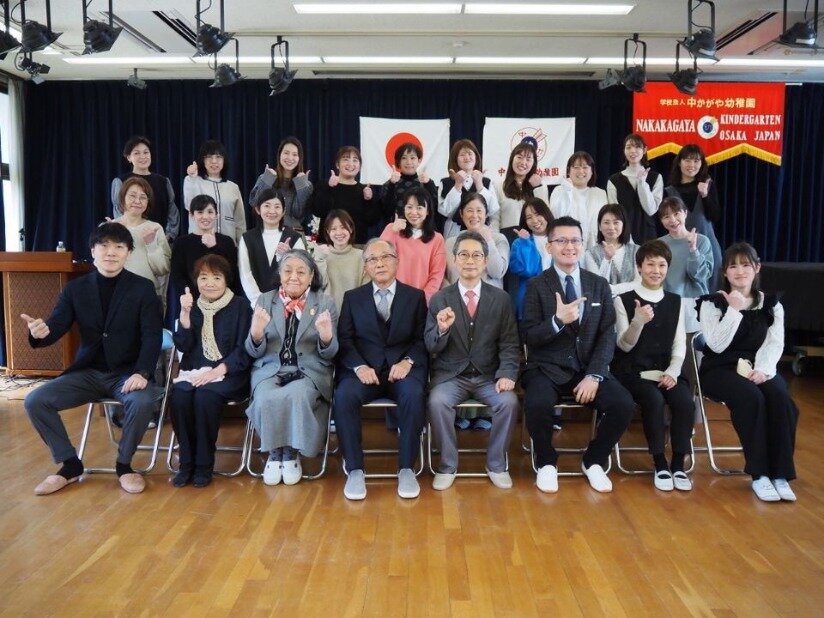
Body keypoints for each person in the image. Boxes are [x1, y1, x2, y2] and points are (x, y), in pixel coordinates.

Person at [22, 222, 163, 496]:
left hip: (127, 374)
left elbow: (151, 336)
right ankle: (70, 465)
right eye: (104, 246)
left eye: (119, 247)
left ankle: (124, 465)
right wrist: (39, 333)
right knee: (35, 400)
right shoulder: (76, 289)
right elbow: (55, 327)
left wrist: (142, 372)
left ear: (128, 253)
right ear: (93, 251)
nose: (111, 252)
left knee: (142, 401)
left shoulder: (143, 288)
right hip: (87, 373)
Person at [521, 216, 635, 493]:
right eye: (561, 240)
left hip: (587, 368)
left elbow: (607, 334)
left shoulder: (598, 284)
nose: (569, 246)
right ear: (549, 247)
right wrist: (557, 321)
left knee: (623, 404)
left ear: (583, 245)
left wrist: (595, 375)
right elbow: (529, 336)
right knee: (536, 403)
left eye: (574, 240)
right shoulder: (537, 285)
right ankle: (546, 462)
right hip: (547, 367)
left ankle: (594, 460)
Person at [697, 242, 799, 503]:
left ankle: (780, 474)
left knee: (781, 399)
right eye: (733, 266)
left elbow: (774, 343)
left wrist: (763, 371)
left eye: (745, 265)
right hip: (720, 368)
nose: (740, 271)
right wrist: (733, 309)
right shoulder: (713, 303)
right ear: (725, 272)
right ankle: (759, 474)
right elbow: (716, 345)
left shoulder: (771, 304)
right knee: (751, 398)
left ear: (757, 268)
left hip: (759, 366)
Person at [334, 238, 429, 501]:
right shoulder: (352, 298)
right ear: (365, 267)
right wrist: (358, 366)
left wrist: (408, 362)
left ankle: (407, 468)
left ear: (397, 261)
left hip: (402, 372)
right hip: (365, 372)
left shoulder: (415, 296)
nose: (379, 263)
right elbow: (345, 340)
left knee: (413, 394)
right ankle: (355, 469)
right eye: (372, 259)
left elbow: (422, 339)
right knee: (343, 396)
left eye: (385, 257)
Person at [425, 231, 520, 490]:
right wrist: (441, 329)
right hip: (451, 376)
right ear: (454, 259)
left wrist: (507, 374)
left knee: (508, 402)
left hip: (489, 376)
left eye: (476, 255)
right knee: (437, 402)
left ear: (486, 261)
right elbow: (430, 344)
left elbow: (510, 343)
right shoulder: (440, 298)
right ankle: (447, 465)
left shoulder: (501, 299)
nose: (470, 260)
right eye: (464, 255)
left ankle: (496, 464)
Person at [245, 250, 338, 487]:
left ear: (311, 276)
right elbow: (253, 351)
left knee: (297, 394)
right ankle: (275, 452)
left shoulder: (325, 303)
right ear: (279, 274)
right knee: (265, 396)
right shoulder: (265, 300)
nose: (293, 277)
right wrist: (256, 333)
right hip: (270, 369)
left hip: (308, 370)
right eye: (287, 271)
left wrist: (326, 337)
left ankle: (291, 453)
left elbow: (330, 354)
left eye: (301, 272)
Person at [612, 240, 695, 492]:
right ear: (639, 267)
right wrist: (638, 322)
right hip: (633, 371)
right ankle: (660, 463)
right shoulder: (623, 300)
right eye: (650, 264)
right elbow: (624, 345)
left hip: (666, 370)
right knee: (654, 400)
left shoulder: (675, 301)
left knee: (684, 402)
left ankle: (678, 463)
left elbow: (679, 344)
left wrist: (673, 371)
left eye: (661, 265)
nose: (656, 270)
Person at [169, 254, 252, 488]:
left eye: (216, 277)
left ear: (226, 280)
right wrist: (184, 315)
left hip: (231, 373)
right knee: (180, 396)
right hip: (195, 371)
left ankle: (204, 465)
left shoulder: (241, 306)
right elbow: (184, 346)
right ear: (196, 281)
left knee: (206, 396)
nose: (210, 283)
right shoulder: (192, 306)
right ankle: (186, 463)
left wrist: (217, 372)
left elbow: (245, 350)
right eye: (203, 277)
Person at [665, 144, 723, 290]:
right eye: (687, 160)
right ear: (679, 162)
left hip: (708, 245)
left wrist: (705, 195)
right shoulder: (669, 190)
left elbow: (715, 216)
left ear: (701, 164)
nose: (692, 165)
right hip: (680, 246)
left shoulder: (707, 185)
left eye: (696, 161)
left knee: (711, 290)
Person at [238, 188, 305, 308]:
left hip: (287, 305)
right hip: (255, 305)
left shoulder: (294, 238)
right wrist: (258, 301)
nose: (272, 211)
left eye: (277, 206)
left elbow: (303, 270)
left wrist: (289, 256)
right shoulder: (248, 238)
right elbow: (245, 273)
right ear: (258, 209)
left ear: (284, 211)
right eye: (267, 206)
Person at [379, 185, 446, 303]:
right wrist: (392, 231)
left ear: (428, 211)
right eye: (409, 207)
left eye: (419, 208)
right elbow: (379, 257)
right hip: (391, 298)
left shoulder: (437, 239)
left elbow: (436, 275)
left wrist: (422, 299)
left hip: (421, 300)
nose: (414, 212)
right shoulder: (392, 229)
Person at [112, 176, 172, 308]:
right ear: (122, 198)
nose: (137, 201)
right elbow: (100, 265)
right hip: (115, 294)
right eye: (132, 196)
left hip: (147, 296)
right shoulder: (110, 227)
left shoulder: (155, 228)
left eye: (143, 197)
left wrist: (151, 244)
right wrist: (112, 236)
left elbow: (163, 269)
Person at [658, 196, 713, 332]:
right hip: (668, 303)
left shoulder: (702, 241)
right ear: (661, 221)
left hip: (695, 304)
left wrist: (693, 249)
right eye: (666, 216)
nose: (672, 220)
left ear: (685, 213)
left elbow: (700, 276)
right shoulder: (659, 245)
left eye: (676, 213)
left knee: (694, 343)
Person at [170, 194, 240, 299]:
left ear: (217, 215)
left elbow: (232, 273)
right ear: (192, 215)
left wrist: (214, 247)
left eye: (210, 212)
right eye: (200, 212)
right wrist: (187, 296)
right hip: (193, 301)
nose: (205, 216)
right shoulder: (182, 243)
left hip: (223, 300)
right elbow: (177, 276)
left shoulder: (226, 241)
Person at [111, 135, 180, 242]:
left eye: (146, 152)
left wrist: (168, 236)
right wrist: (129, 236)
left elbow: (172, 210)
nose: (142, 156)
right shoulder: (120, 181)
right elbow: (119, 210)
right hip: (131, 240)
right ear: (129, 158)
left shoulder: (164, 181)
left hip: (160, 239)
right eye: (136, 153)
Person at [311, 146, 380, 244]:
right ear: (337, 164)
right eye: (346, 159)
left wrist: (369, 201)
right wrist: (328, 188)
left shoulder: (366, 190)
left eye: (355, 160)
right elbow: (318, 211)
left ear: (360, 166)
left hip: (357, 246)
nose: (351, 164)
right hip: (328, 245)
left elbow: (372, 221)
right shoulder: (325, 185)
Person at [183, 140, 246, 244]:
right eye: (209, 157)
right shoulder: (193, 181)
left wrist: (242, 246)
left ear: (224, 160)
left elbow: (240, 222)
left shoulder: (233, 187)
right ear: (202, 160)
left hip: (227, 244)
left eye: (218, 157)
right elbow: (189, 206)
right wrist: (192, 179)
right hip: (200, 243)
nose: (214, 161)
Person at [606, 133, 663, 245]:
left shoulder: (656, 177)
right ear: (624, 151)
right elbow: (615, 214)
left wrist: (642, 183)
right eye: (628, 147)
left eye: (637, 147)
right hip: (624, 236)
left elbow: (651, 209)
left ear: (644, 150)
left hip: (648, 236)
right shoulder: (613, 180)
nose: (633, 151)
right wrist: (626, 236)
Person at [444, 193, 509, 289]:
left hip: (490, 297)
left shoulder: (498, 239)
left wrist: (489, 241)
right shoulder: (450, 243)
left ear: (486, 214)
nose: (474, 215)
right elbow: (444, 276)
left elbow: (497, 273)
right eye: (469, 211)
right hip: (456, 297)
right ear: (461, 214)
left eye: (479, 211)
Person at [248, 136, 314, 231]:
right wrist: (267, 179)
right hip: (269, 231)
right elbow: (254, 204)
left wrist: (301, 184)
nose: (290, 158)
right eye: (286, 153)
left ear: (299, 158)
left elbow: (298, 214)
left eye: (294, 154)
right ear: (279, 155)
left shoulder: (306, 184)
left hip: (294, 233)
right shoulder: (266, 177)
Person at [438, 139, 500, 238]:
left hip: (481, 231)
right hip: (455, 232)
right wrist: (457, 185)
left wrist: (479, 185)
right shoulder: (445, 182)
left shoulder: (486, 182)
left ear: (476, 158)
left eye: (470, 154)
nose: (467, 157)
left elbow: (493, 209)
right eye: (462, 155)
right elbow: (445, 211)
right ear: (455, 159)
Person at [549, 151, 607, 251]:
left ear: (592, 171)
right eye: (576, 167)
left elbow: (604, 221)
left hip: (594, 247)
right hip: (566, 247)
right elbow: (555, 217)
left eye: (585, 167)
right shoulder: (559, 190)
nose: (581, 171)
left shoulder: (600, 193)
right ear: (568, 171)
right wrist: (567, 191)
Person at [508, 197, 554, 320]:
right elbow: (528, 271)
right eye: (529, 217)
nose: (534, 220)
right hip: (530, 299)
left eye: (538, 214)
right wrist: (526, 244)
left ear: (546, 213)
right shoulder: (519, 243)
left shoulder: (560, 238)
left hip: (557, 296)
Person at [314, 210, 369, 311]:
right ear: (327, 231)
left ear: (351, 229)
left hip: (354, 313)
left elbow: (366, 291)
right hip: (327, 313)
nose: (339, 233)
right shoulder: (321, 256)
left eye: (343, 227)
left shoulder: (362, 256)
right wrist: (319, 259)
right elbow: (319, 285)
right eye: (333, 229)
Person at [492, 141, 549, 236]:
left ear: (533, 163)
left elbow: (545, 214)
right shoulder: (498, 186)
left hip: (533, 237)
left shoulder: (540, 186)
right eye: (519, 157)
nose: (523, 162)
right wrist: (496, 239)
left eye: (528, 159)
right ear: (512, 159)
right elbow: (495, 218)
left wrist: (537, 188)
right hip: (507, 237)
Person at [583, 204, 640, 297]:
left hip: (633, 302)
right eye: (606, 222)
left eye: (616, 222)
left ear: (623, 225)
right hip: (606, 304)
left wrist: (612, 289)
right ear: (599, 226)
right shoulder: (590, 254)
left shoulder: (637, 250)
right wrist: (606, 259)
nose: (611, 227)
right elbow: (598, 286)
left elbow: (640, 283)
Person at [381, 142, 439, 230]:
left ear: (419, 161)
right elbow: (386, 210)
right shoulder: (390, 184)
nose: (408, 162)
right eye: (404, 158)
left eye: (412, 158)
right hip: (397, 230)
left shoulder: (426, 182)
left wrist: (428, 184)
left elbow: (434, 208)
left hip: (422, 231)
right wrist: (392, 185)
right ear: (398, 162)